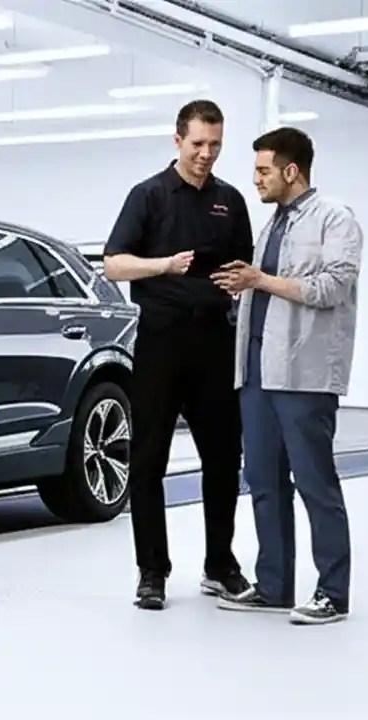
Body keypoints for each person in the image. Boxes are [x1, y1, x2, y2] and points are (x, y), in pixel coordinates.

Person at [103, 99, 256, 610]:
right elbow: (114, 266)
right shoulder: (147, 196)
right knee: (148, 461)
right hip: (161, 339)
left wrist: (238, 282)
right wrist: (164, 265)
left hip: (214, 340)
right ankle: (152, 571)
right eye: (197, 144)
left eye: (215, 144)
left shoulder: (230, 201)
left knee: (222, 458)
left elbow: (245, 266)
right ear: (177, 141)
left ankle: (220, 564)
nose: (206, 154)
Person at [210, 126, 362, 625]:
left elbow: (334, 287)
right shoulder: (272, 224)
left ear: (291, 171)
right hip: (256, 373)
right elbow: (271, 291)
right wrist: (244, 289)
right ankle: (273, 585)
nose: (255, 179)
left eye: (263, 170)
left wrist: (260, 280)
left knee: (315, 482)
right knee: (263, 481)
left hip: (305, 374)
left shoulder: (335, 218)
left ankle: (332, 594)